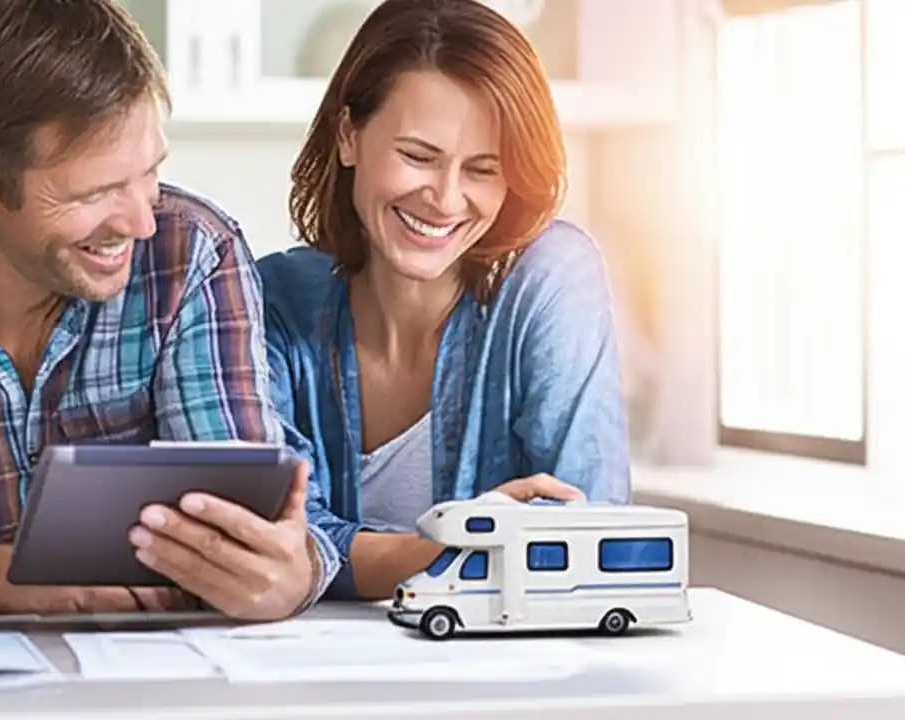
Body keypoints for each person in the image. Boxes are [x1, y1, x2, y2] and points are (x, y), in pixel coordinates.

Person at [0, 0, 338, 624]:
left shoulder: (190, 256)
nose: (141, 221)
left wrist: (284, 573)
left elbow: (249, 527)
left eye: (149, 173)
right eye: (96, 192)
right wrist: (1, 579)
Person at [259, 0, 631, 601]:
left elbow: (583, 538)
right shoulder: (274, 301)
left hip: (506, 683)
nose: (446, 198)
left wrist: (338, 558)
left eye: (483, 169)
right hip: (309, 680)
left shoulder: (551, 280)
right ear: (348, 135)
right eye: (418, 156)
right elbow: (273, 543)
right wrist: (450, 542)